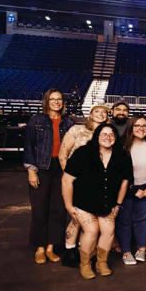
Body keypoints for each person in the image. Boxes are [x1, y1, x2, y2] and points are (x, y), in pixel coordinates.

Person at [62, 123, 131, 279]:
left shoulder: (122, 156)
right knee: (92, 230)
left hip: (107, 202)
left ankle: (102, 262)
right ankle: (85, 264)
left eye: (112, 135)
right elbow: (67, 181)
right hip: (83, 201)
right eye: (104, 134)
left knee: (108, 230)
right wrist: (68, 205)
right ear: (97, 137)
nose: (108, 137)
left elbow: (125, 182)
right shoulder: (83, 153)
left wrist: (118, 204)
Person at [23, 88, 76, 265]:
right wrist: (31, 170)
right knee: (39, 210)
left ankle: (51, 247)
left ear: (63, 102)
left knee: (58, 210)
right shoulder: (36, 120)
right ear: (47, 101)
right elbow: (28, 146)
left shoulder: (68, 122)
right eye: (52, 99)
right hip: (41, 168)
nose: (56, 102)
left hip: (61, 169)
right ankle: (40, 247)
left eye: (59, 99)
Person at [57, 104, 110, 266]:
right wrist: (70, 178)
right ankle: (69, 251)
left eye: (104, 112)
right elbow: (62, 154)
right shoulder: (77, 130)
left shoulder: (106, 134)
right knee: (76, 218)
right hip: (76, 182)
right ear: (90, 114)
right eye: (97, 111)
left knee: (90, 220)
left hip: (96, 185)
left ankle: (85, 251)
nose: (101, 114)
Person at [117, 116, 146, 265]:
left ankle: (141, 249)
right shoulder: (122, 144)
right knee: (125, 221)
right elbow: (118, 172)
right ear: (131, 127)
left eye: (144, 126)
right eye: (137, 125)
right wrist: (132, 190)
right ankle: (126, 252)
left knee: (142, 220)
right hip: (127, 189)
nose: (141, 128)